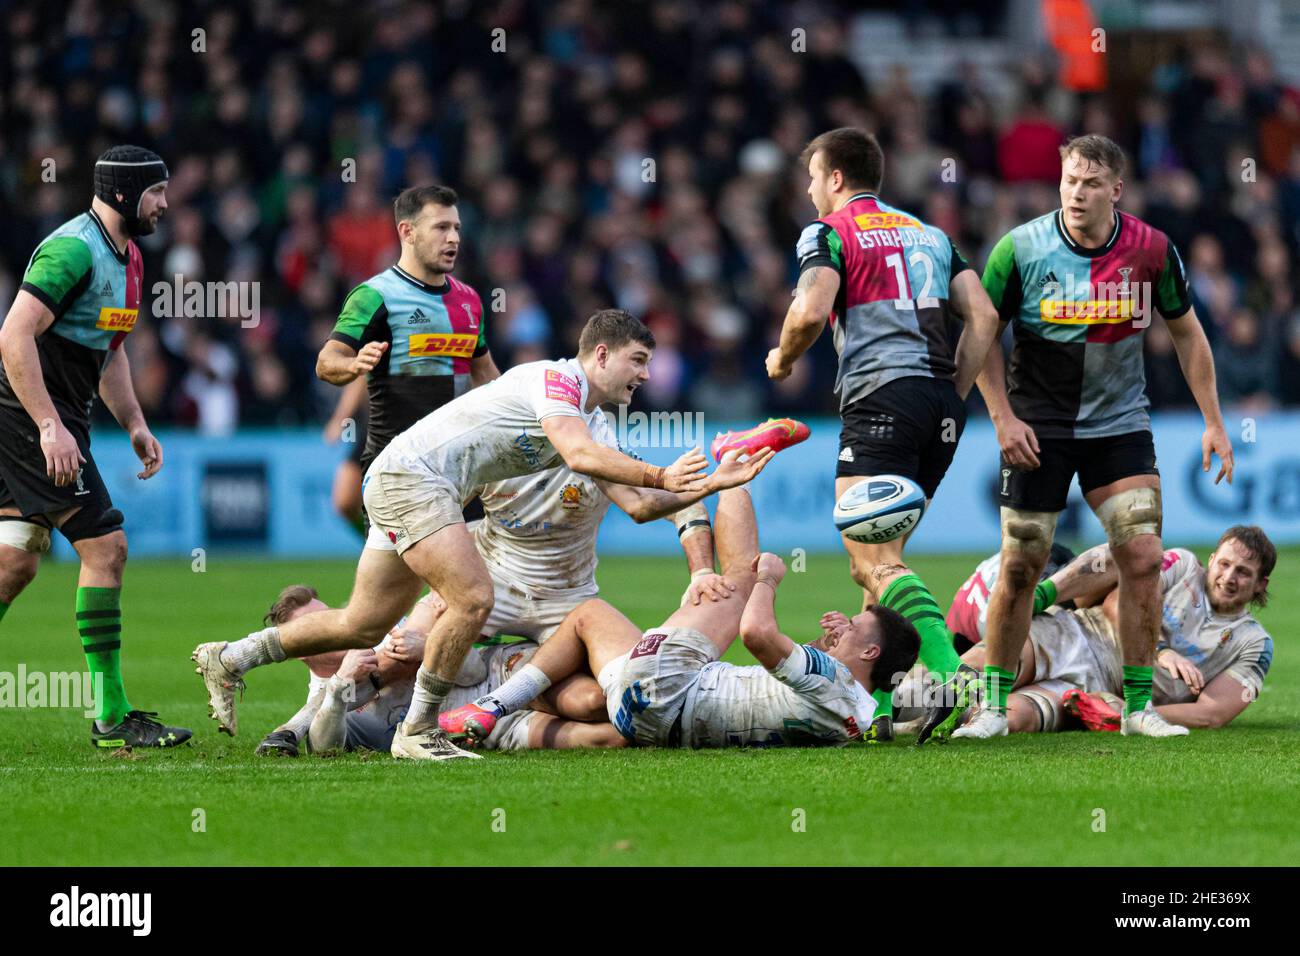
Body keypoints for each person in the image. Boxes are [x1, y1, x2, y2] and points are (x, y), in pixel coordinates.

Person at [194, 309, 769, 761]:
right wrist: (662, 471)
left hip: (507, 555)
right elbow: (581, 454)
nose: (646, 376)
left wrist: (715, 480)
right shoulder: (554, 384)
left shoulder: (594, 428)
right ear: (600, 355)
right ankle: (413, 730)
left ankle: (232, 656)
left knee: (363, 623)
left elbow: (644, 505)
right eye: (638, 361)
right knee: (468, 599)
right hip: (414, 479)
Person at [957, 134, 1235, 739]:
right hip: (1040, 430)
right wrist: (1002, 417)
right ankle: (995, 709)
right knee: (1022, 567)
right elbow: (982, 334)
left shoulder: (1153, 249)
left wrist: (1214, 421)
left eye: (1088, 184)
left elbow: (1188, 334)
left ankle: (1137, 710)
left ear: (1116, 190)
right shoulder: (1019, 249)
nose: (1075, 194)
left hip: (1119, 426)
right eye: (1068, 182)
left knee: (1141, 558)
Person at [254, 438, 730, 756]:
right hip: (492, 586)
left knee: (614, 694)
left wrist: (703, 569)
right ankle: (416, 730)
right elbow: (428, 513)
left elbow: (680, 502)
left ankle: (703, 701)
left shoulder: (600, 452)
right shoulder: (489, 455)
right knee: (403, 648)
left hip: (564, 599)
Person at [766, 126, 1001, 742]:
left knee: (874, 558)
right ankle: (892, 694)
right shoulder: (931, 234)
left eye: (814, 176)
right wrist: (954, 388)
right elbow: (983, 315)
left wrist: (783, 358)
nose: (811, 188)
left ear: (836, 178)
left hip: (879, 399)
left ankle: (954, 680)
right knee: (873, 564)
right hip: (939, 409)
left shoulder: (827, 232)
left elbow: (812, 310)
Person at [443, 483, 920, 750]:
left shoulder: (833, 677)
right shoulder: (857, 716)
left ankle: (738, 467)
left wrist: (770, 580)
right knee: (589, 626)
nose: (841, 626)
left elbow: (756, 632)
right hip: (645, 724)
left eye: (854, 627)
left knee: (738, 579)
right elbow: (865, 705)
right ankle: (491, 705)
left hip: (672, 683)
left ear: (870, 652)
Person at [0, 145, 188, 749]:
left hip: (51, 418)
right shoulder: (71, 249)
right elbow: (14, 333)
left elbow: (110, 350)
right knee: (106, 548)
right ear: (125, 194)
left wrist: (133, 421)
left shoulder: (129, 259)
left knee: (15, 561)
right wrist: (49, 426)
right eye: (157, 192)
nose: (165, 203)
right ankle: (112, 716)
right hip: (26, 418)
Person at [953, 525, 1275, 736]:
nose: (1229, 577)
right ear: (1212, 558)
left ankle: (932, 720)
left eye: (1243, 572)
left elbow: (1212, 713)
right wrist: (1161, 652)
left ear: (1261, 584)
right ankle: (908, 695)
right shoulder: (1184, 565)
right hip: (1079, 634)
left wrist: (1126, 711)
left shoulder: (1254, 643)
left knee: (1015, 720)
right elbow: (1118, 603)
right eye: (1224, 564)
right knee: (972, 671)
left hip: (1097, 691)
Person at [316, 185, 500, 537]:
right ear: (407, 231)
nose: (453, 239)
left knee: (465, 587)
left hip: (458, 467)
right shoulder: (374, 296)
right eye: (441, 227)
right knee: (466, 588)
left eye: (457, 228)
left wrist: (528, 411)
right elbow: (327, 361)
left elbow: (485, 372)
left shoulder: (469, 300)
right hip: (397, 471)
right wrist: (352, 366)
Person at [253, 585, 623, 756]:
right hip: (479, 732)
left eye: (328, 618)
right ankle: (674, 729)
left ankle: (666, 705)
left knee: (589, 701)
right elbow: (325, 749)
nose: (330, 628)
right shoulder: (323, 695)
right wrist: (338, 689)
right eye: (312, 629)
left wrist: (428, 648)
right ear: (300, 650)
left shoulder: (387, 634)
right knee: (604, 739)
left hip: (500, 675)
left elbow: (473, 667)